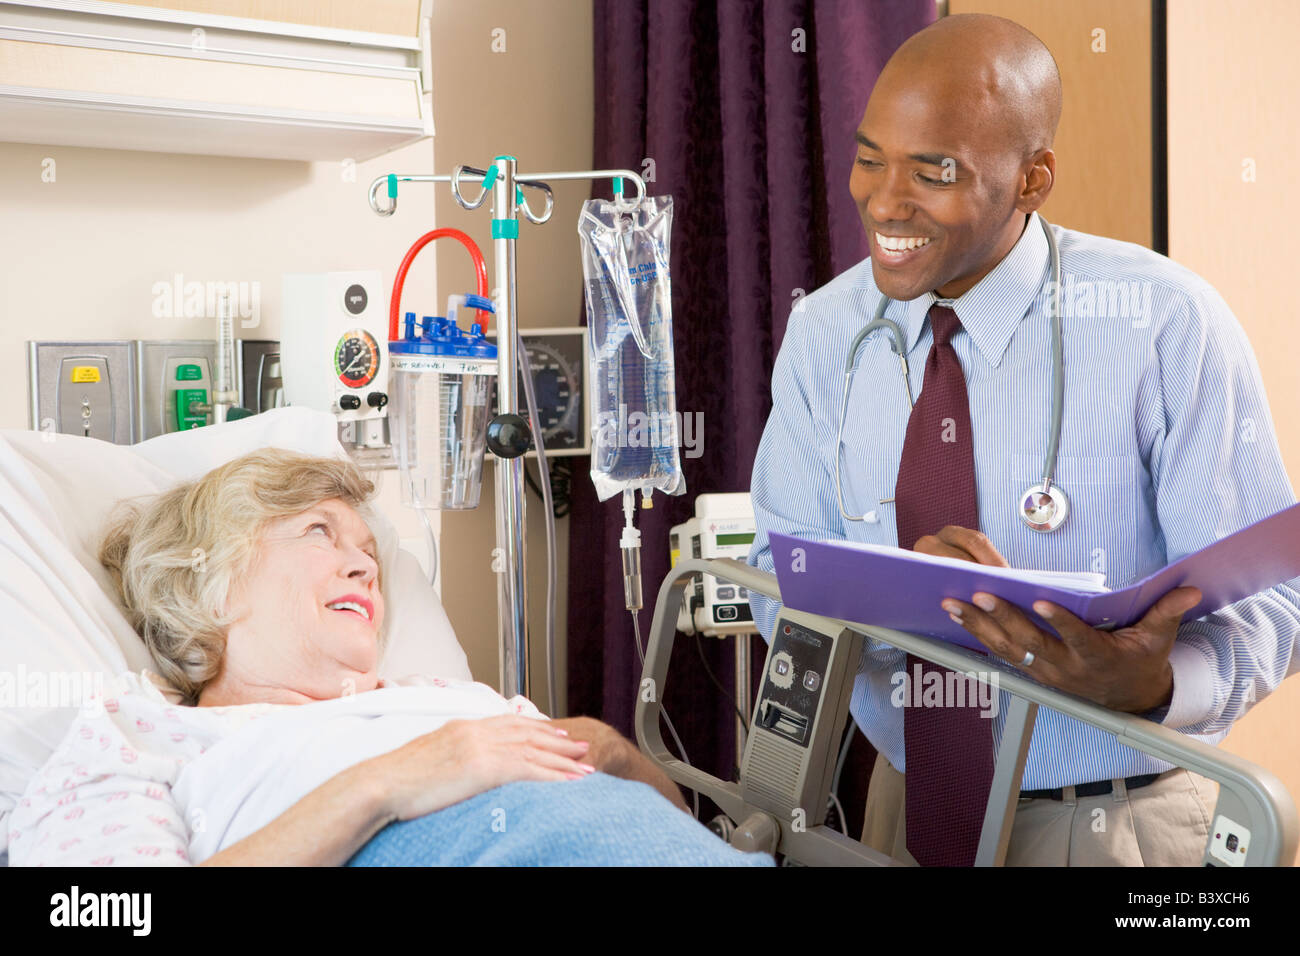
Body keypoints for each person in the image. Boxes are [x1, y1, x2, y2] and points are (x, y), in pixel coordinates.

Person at [747, 13, 1300, 866]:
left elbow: (1275, 602)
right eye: (869, 158)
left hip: (1114, 824)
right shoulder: (826, 333)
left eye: (935, 171)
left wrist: (1153, 684)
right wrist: (899, 606)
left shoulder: (1161, 324)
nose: (884, 201)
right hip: (903, 811)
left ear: (1033, 179)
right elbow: (771, 578)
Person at [8, 449, 772, 867]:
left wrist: (615, 752)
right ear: (205, 586)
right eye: (318, 534)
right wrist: (386, 784)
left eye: (369, 550)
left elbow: (680, 839)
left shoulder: (452, 700)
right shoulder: (135, 740)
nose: (365, 566)